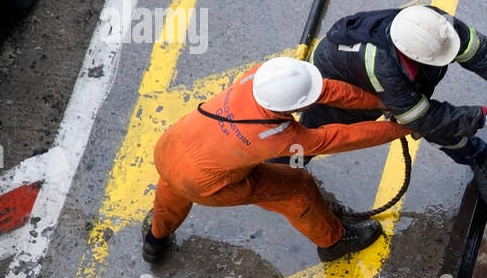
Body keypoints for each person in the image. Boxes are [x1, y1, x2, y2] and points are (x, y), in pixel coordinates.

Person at [298, 5, 487, 208]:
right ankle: (287, 175)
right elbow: (426, 119)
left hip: (399, 77)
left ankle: (477, 159)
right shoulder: (382, 66)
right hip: (339, 85)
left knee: (441, 126)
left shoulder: (435, 26)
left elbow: (486, 57)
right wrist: (486, 115)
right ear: (414, 57)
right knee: (307, 140)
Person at [143, 57, 409, 264]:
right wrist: (404, 127)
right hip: (208, 186)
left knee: (172, 185)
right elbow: (339, 137)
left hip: (169, 149)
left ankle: (155, 239)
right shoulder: (275, 135)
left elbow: (321, 90)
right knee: (298, 186)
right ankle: (334, 242)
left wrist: (380, 104)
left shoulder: (261, 76)